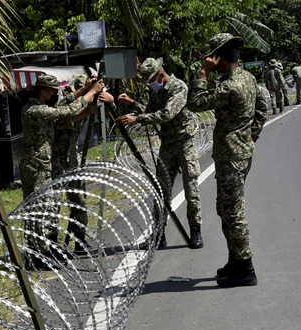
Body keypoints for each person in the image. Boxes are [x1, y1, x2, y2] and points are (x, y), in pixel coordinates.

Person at [186, 33, 267, 287]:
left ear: (218, 57)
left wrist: (203, 72)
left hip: (231, 156)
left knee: (232, 212)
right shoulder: (247, 78)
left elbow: (195, 102)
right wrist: (247, 138)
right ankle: (235, 260)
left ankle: (245, 268)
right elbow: (263, 108)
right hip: (239, 153)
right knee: (225, 207)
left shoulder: (229, 87)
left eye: (213, 56)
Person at [116, 57, 203, 249]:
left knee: (191, 188)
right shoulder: (158, 92)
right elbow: (150, 111)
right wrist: (132, 104)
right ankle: (159, 234)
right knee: (160, 190)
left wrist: (137, 118)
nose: (150, 85)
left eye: (150, 80)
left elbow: (166, 114)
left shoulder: (178, 88)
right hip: (168, 144)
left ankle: (195, 230)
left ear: (160, 74)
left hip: (184, 142)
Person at [20, 74, 103, 267]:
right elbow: (66, 111)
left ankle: (44, 249)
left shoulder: (38, 106)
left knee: (44, 207)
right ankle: (37, 255)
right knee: (39, 209)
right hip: (36, 165)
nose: (55, 95)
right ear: (43, 92)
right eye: (52, 92)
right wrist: (91, 92)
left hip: (41, 164)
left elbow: (65, 103)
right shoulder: (36, 110)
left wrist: (85, 90)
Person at [51, 74, 105, 252]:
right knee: (55, 202)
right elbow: (63, 120)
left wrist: (106, 98)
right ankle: (52, 243)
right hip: (56, 159)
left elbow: (107, 100)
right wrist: (85, 110)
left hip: (72, 157)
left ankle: (80, 241)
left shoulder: (85, 103)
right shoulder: (61, 105)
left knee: (79, 200)